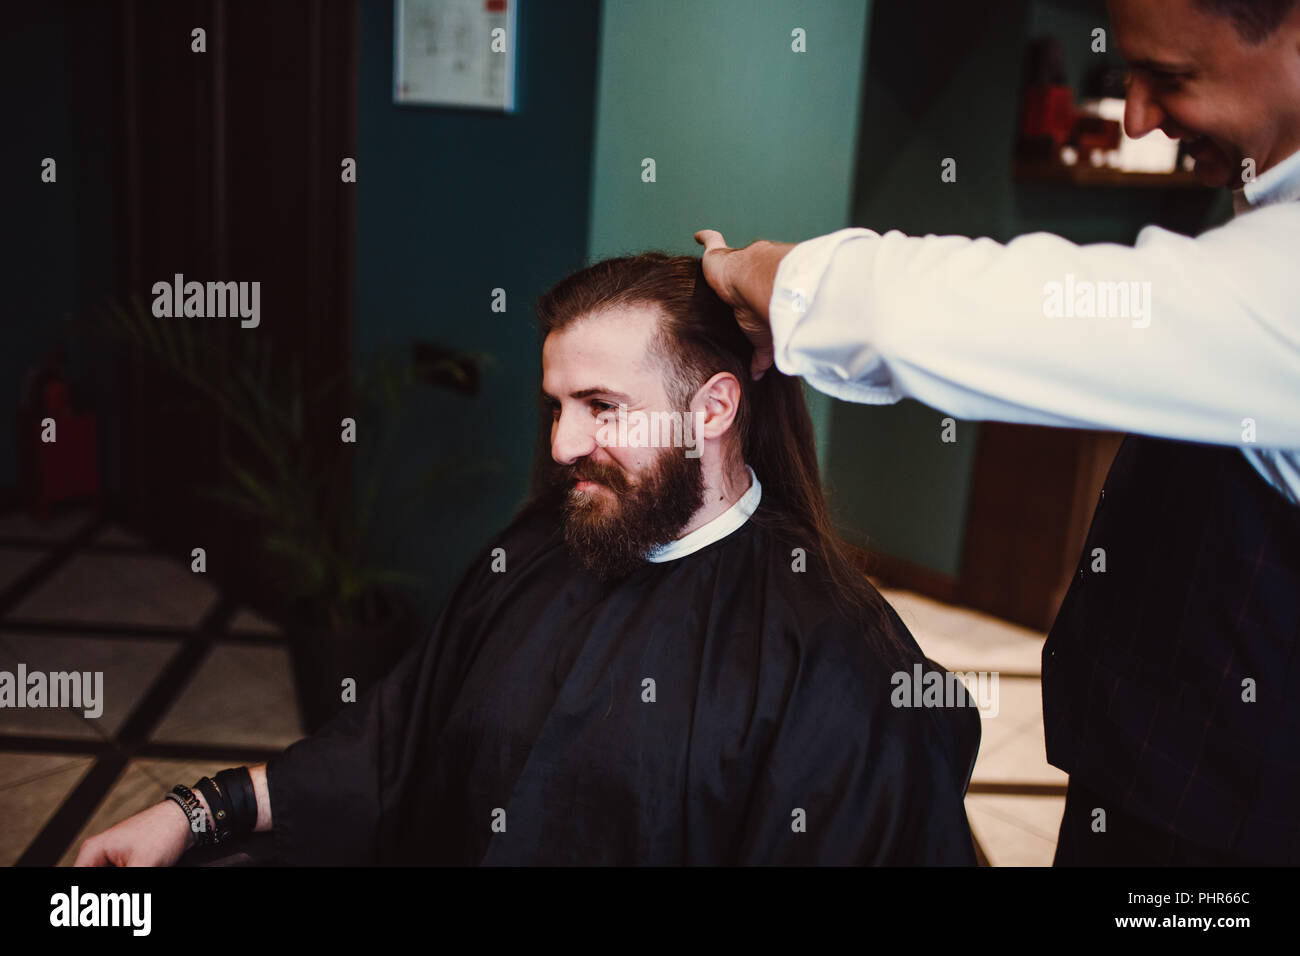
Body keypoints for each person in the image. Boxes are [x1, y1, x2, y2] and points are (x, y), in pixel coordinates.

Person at [76, 253, 981, 866]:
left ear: (711, 410)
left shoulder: (840, 662)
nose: (561, 445)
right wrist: (194, 813)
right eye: (556, 407)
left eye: (600, 406)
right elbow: (394, 748)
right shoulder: (536, 550)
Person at [694, 0, 1300, 865]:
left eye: (1171, 78)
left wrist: (757, 272)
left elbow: (1013, 311)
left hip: (1233, 820)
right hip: (1150, 772)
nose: (1136, 116)